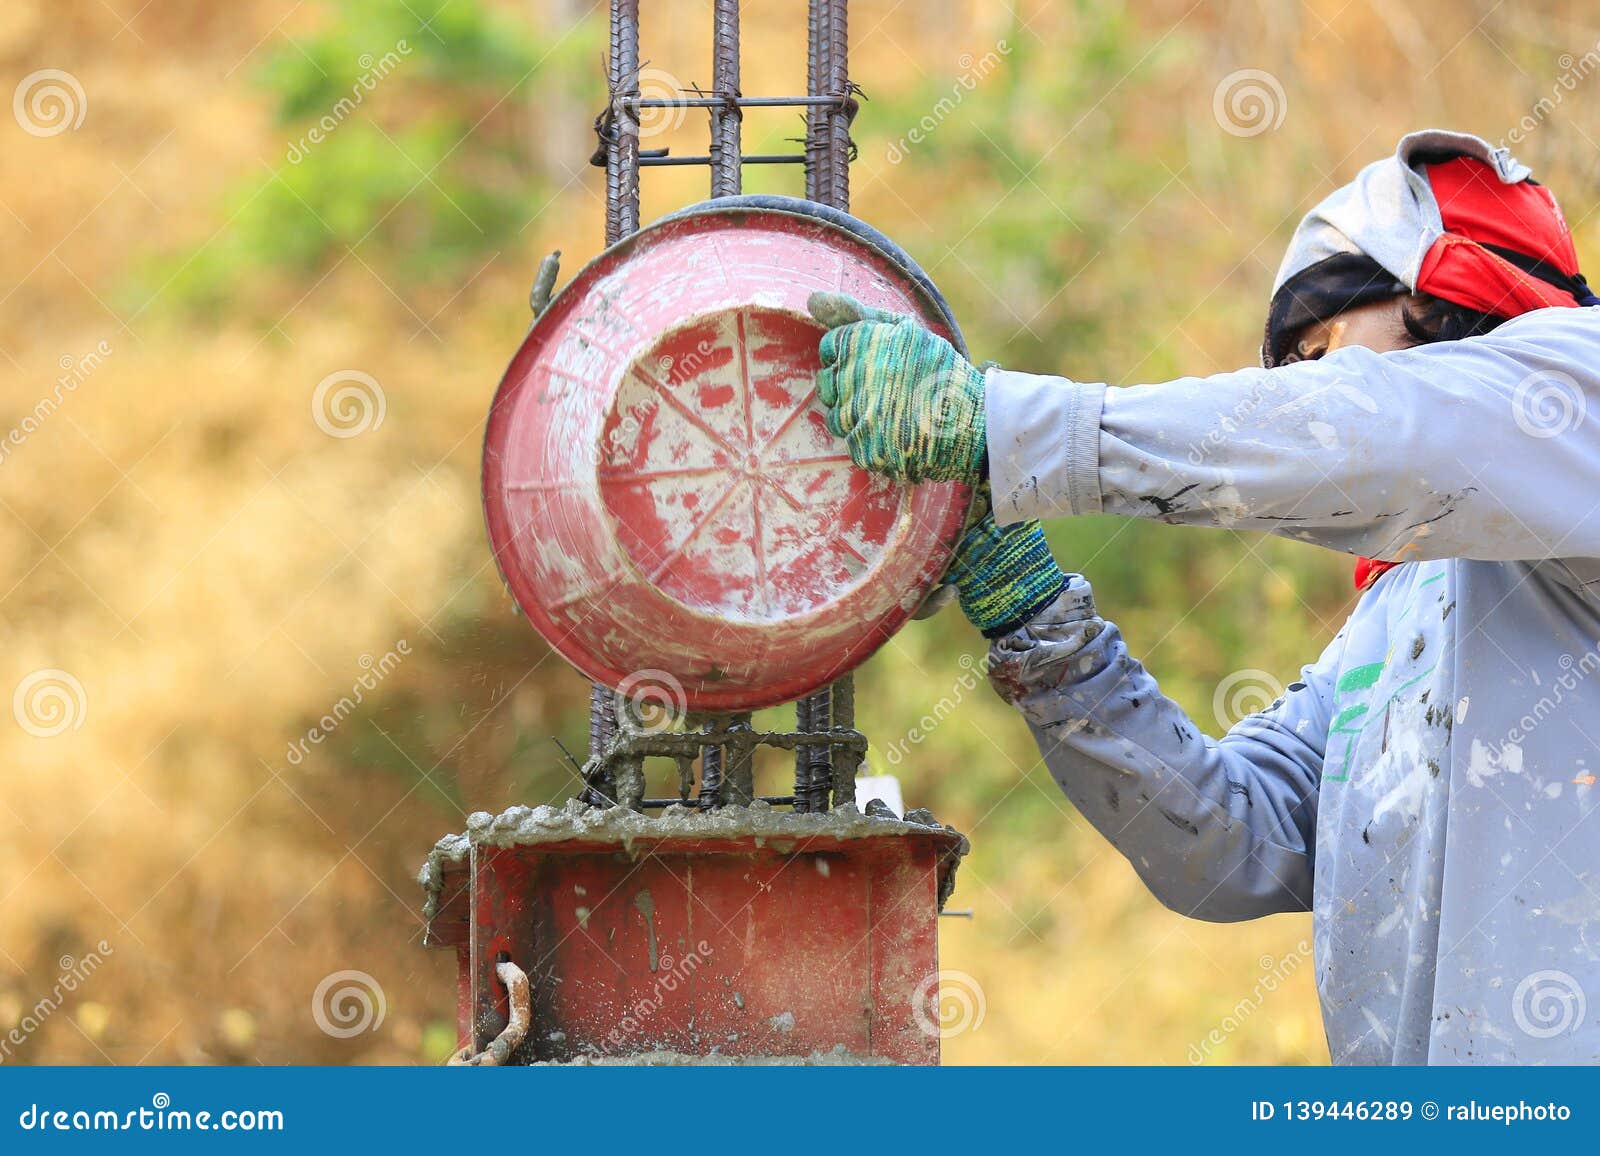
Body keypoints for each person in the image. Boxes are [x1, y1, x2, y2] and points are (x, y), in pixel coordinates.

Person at [810, 129, 1600, 1065]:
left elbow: (1375, 430)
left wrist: (1004, 431)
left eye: (1323, 349)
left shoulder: (1576, 392)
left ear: (1439, 297)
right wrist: (1036, 623)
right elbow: (1232, 839)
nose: (1310, 389)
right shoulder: (1405, 626)